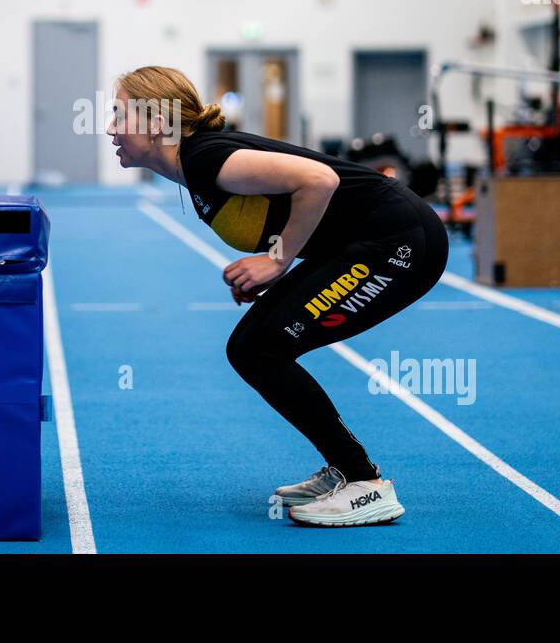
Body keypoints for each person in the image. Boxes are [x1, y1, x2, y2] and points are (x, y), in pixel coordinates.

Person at [107, 66, 449, 527]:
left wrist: (277, 260)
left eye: (119, 114)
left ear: (156, 121)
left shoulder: (206, 158)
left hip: (401, 243)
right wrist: (273, 265)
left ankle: (365, 484)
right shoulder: (195, 168)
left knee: (259, 349)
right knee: (254, 347)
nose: (109, 128)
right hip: (368, 242)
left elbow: (319, 180)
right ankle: (346, 470)